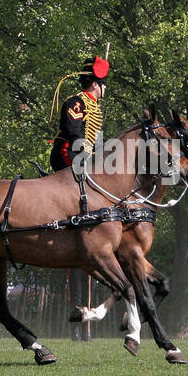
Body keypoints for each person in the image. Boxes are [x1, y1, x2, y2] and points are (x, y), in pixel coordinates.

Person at [49, 56, 109, 338]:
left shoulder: (93, 105)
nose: (105, 90)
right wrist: (82, 162)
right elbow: (73, 135)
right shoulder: (77, 102)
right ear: (96, 85)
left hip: (85, 158)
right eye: (103, 85)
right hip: (67, 156)